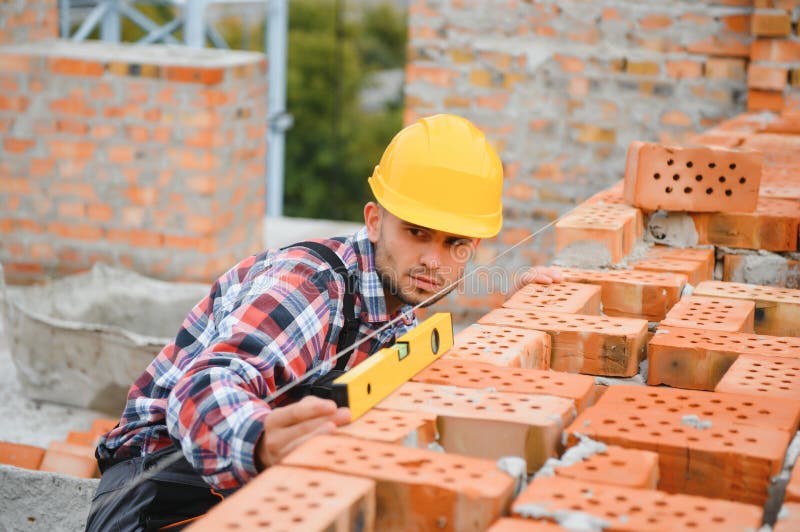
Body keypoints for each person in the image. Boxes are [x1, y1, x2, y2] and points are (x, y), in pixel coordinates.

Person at [85, 114, 562, 531]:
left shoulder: (397, 300)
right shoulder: (311, 288)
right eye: (416, 232)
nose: (432, 260)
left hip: (254, 484)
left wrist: (514, 320)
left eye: (453, 242)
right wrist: (260, 439)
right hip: (156, 491)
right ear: (374, 221)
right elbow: (203, 386)